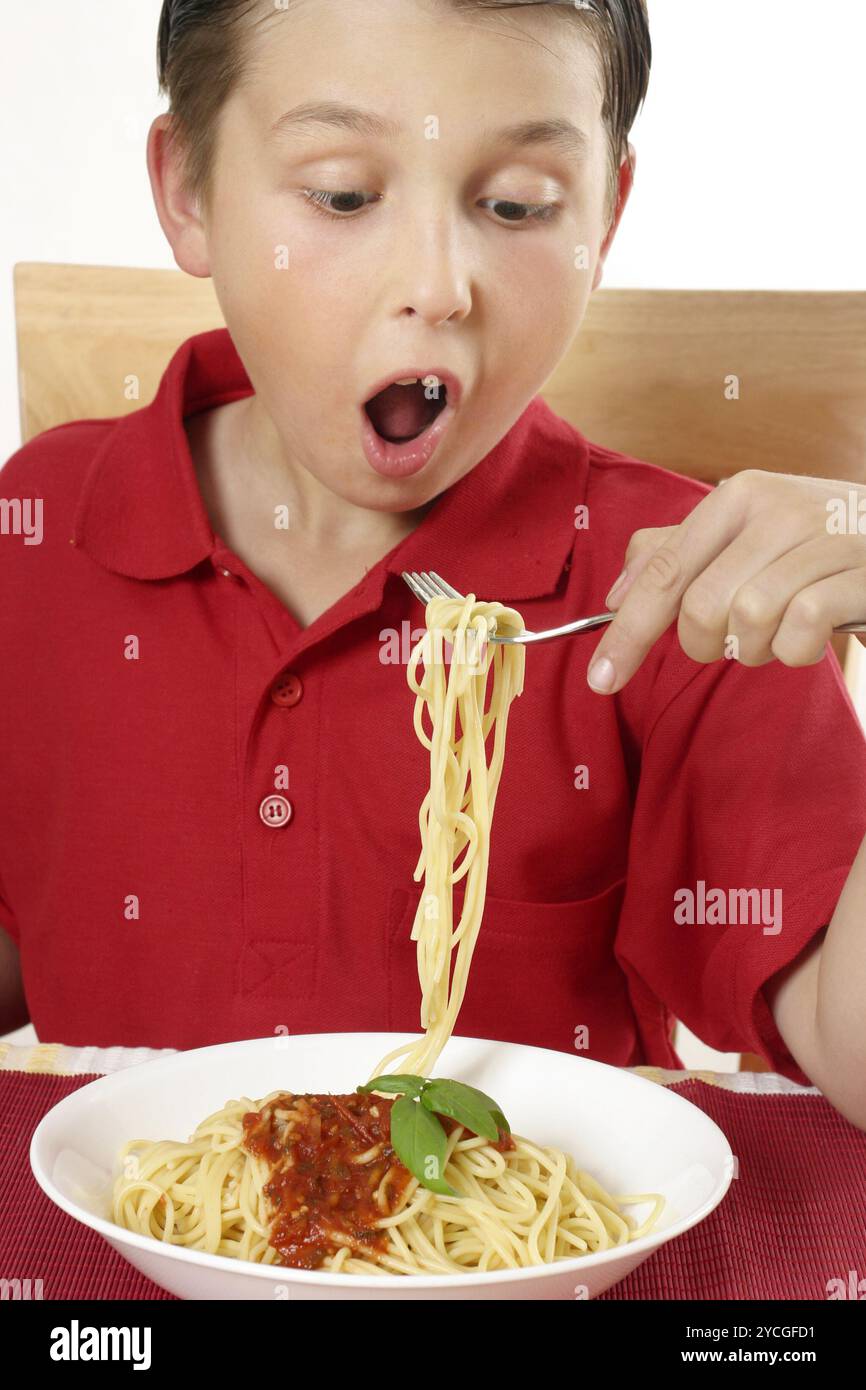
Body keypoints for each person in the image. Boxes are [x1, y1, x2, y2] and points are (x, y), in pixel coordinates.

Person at [1, 0, 865, 1130]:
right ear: (190, 193)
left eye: (516, 204)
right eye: (344, 195)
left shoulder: (676, 592)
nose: (437, 283)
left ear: (602, 220)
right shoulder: (36, 531)